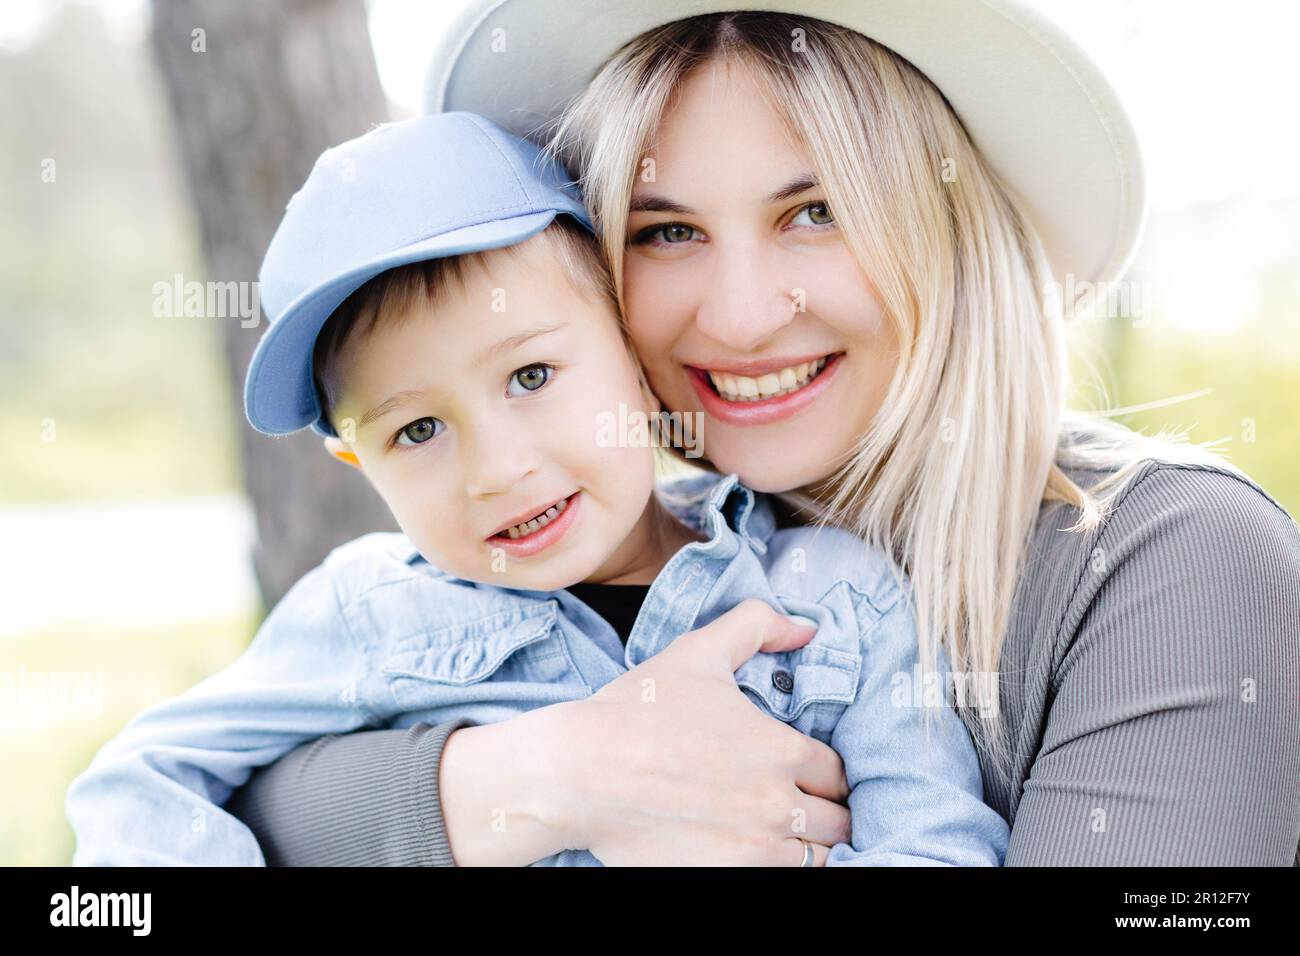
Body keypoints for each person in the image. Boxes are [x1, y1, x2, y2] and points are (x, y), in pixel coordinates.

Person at [227, 6, 1300, 866]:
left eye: (815, 210)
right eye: (667, 230)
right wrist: (541, 780)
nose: (740, 315)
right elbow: (236, 797)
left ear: (949, 223)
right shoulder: (584, 546)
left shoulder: (1169, 560)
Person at [63, 110, 1010, 866]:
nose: (499, 468)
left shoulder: (832, 596)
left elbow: (938, 840)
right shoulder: (373, 616)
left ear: (634, 357)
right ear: (360, 462)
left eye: (531, 378)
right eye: (418, 430)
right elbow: (144, 782)